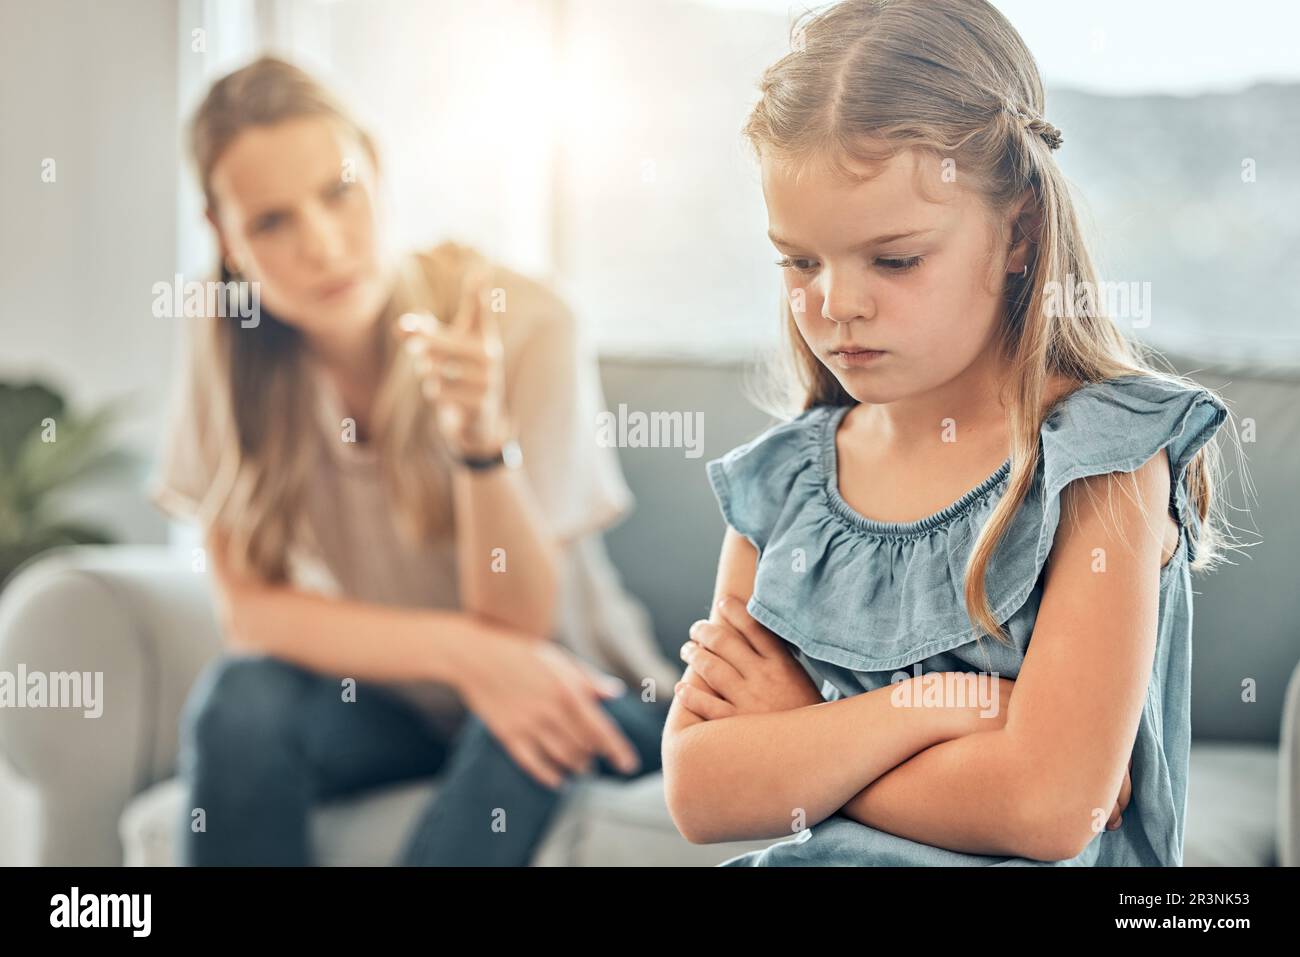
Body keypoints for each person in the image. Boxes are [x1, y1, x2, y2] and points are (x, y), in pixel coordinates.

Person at [661, 0, 1238, 866]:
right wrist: (934, 710)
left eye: (894, 260)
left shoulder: (1101, 459)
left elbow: (1047, 807)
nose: (835, 304)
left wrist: (801, 738)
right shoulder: (784, 484)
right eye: (799, 260)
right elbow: (702, 793)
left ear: (1019, 233)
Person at [152, 55, 679, 866]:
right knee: (241, 696)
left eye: (339, 192)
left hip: (582, 684)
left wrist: (478, 443)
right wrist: (462, 656)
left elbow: (520, 629)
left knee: (522, 723)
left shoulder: (524, 317)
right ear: (224, 235)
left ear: (380, 172)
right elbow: (251, 613)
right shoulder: (220, 335)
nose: (323, 246)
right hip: (403, 707)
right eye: (271, 223)